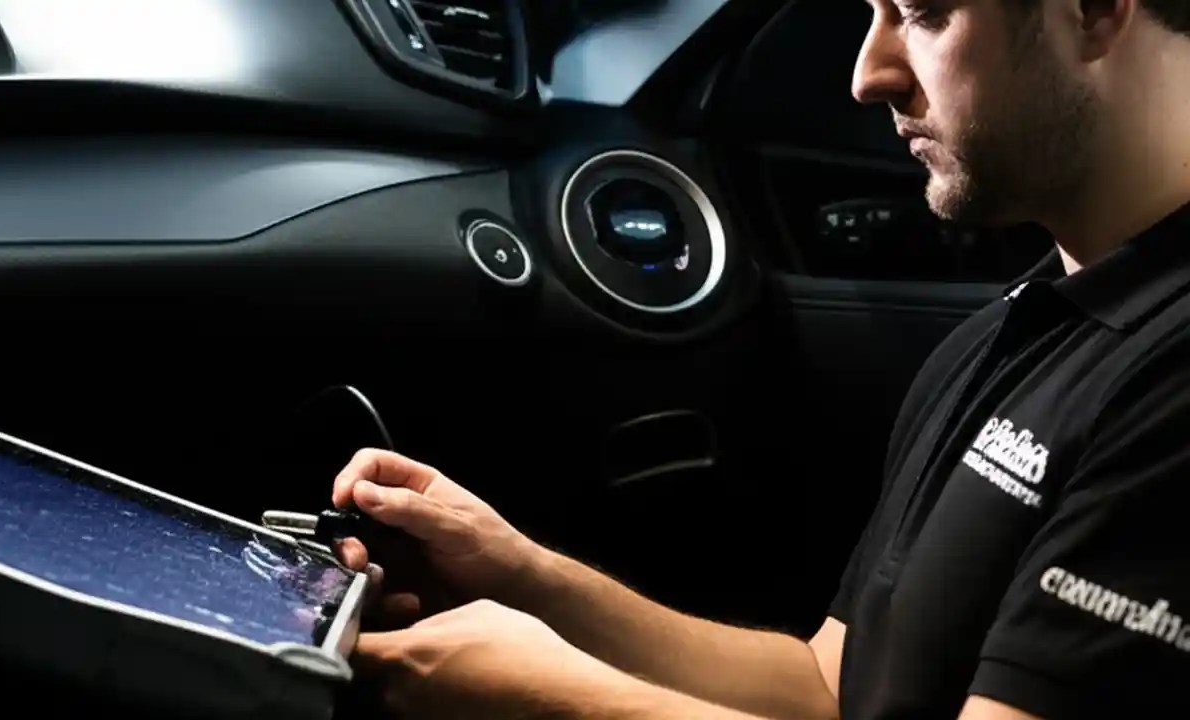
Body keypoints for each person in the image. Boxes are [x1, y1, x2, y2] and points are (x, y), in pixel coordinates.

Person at [329, 1, 1190, 717]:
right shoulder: (1017, 328)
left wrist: (551, 698)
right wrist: (525, 576)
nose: (868, 73)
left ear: (1095, 10)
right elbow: (825, 687)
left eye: (923, 11)